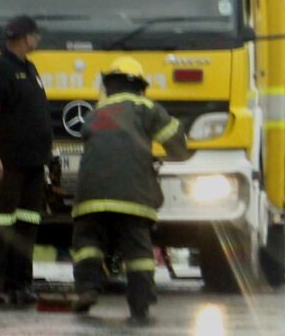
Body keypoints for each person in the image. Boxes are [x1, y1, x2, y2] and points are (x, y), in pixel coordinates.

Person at [69, 58, 193, 322]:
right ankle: (140, 304)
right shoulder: (145, 108)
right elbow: (177, 144)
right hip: (132, 194)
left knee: (88, 242)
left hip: (89, 194)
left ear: (109, 85)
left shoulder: (94, 113)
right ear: (138, 85)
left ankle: (87, 288)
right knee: (137, 250)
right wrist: (172, 154)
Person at [0, 14, 51, 308]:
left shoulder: (29, 69)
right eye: (36, 35)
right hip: (6, 162)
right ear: (26, 38)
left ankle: (21, 284)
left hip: (32, 162)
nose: (38, 40)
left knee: (27, 222)